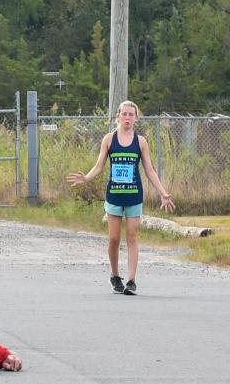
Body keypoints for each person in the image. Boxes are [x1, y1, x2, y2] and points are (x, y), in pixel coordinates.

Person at [67, 100, 175, 295]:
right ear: (118, 116)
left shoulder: (140, 142)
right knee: (114, 238)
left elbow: (149, 170)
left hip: (133, 196)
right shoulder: (109, 139)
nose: (127, 118)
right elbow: (99, 166)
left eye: (131, 115)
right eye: (124, 114)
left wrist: (163, 193)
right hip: (114, 196)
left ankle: (132, 281)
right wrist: (86, 178)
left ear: (136, 118)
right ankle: (115, 275)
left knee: (132, 236)